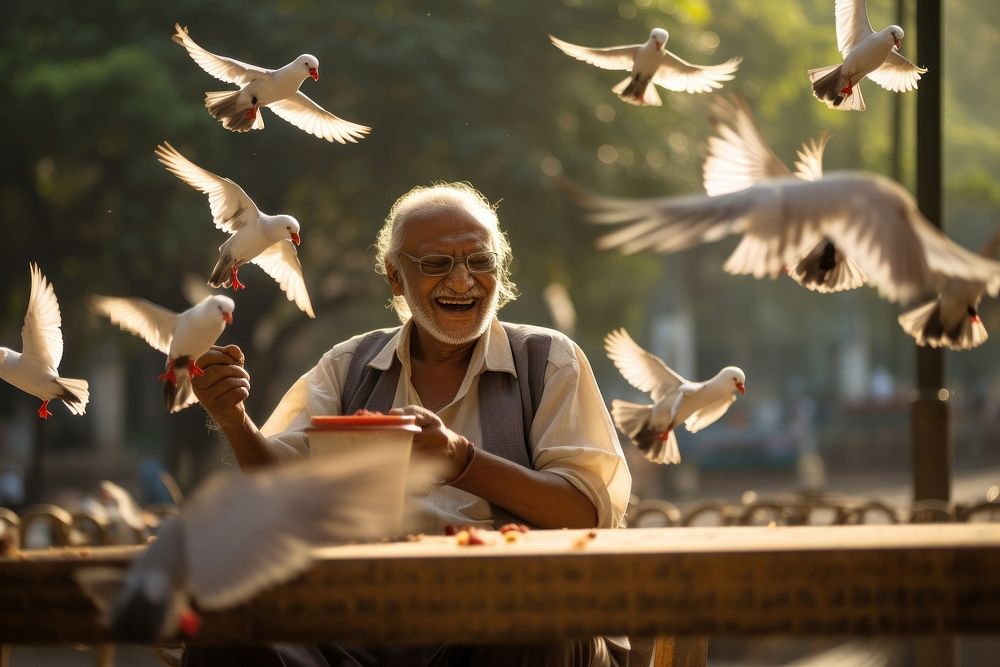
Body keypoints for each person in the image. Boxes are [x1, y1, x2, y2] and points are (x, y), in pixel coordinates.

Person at [187, 182, 633, 666]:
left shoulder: (549, 361)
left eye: (480, 262)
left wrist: (462, 462)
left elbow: (588, 514)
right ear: (395, 277)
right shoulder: (349, 365)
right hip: (362, 625)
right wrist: (232, 418)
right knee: (224, 621)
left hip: (505, 612)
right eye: (438, 264)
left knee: (535, 622)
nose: (462, 282)